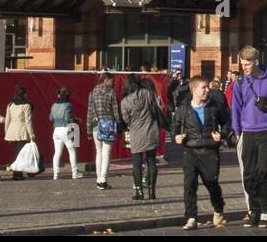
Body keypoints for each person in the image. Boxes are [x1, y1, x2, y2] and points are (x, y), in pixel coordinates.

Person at [230, 45, 267, 228]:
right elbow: (236, 108)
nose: (244, 67)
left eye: (247, 64)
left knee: (263, 172)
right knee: (248, 174)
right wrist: (236, 131)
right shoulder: (240, 82)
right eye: (242, 64)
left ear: (256, 62)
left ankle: (265, 210)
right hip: (248, 133)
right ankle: (253, 210)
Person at [173, 76, 229, 229]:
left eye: (207, 87)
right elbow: (174, 127)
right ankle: (191, 217)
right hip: (190, 151)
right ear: (194, 90)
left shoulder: (214, 106)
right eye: (204, 87)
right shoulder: (183, 109)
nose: (207, 90)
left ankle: (218, 209)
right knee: (189, 185)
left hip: (209, 151)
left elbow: (227, 123)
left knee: (211, 183)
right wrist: (176, 136)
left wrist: (221, 134)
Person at [121, 72, 164, 201]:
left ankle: (139, 192)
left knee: (137, 163)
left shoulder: (125, 101)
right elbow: (155, 108)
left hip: (136, 132)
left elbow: (126, 119)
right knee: (151, 160)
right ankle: (152, 191)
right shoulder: (148, 93)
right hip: (151, 129)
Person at [87, 71, 119, 190]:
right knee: (106, 152)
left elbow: (89, 112)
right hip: (108, 125)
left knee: (99, 151)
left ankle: (98, 178)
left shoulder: (93, 92)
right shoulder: (112, 93)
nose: (114, 82)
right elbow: (115, 111)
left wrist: (88, 129)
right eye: (112, 80)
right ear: (106, 80)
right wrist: (119, 125)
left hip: (96, 125)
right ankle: (103, 179)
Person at [4, 85, 36, 181]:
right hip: (22, 131)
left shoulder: (10, 105)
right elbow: (28, 121)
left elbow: (7, 120)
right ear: (25, 94)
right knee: (20, 153)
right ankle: (18, 173)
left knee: (17, 152)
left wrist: (6, 132)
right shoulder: (26, 105)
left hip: (12, 130)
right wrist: (31, 133)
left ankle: (18, 172)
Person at [50, 86, 80, 180]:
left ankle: (56, 174)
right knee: (72, 151)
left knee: (57, 153)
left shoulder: (53, 105)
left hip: (56, 130)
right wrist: (77, 120)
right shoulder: (68, 105)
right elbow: (68, 119)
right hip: (67, 129)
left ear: (59, 95)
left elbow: (51, 118)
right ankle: (75, 173)